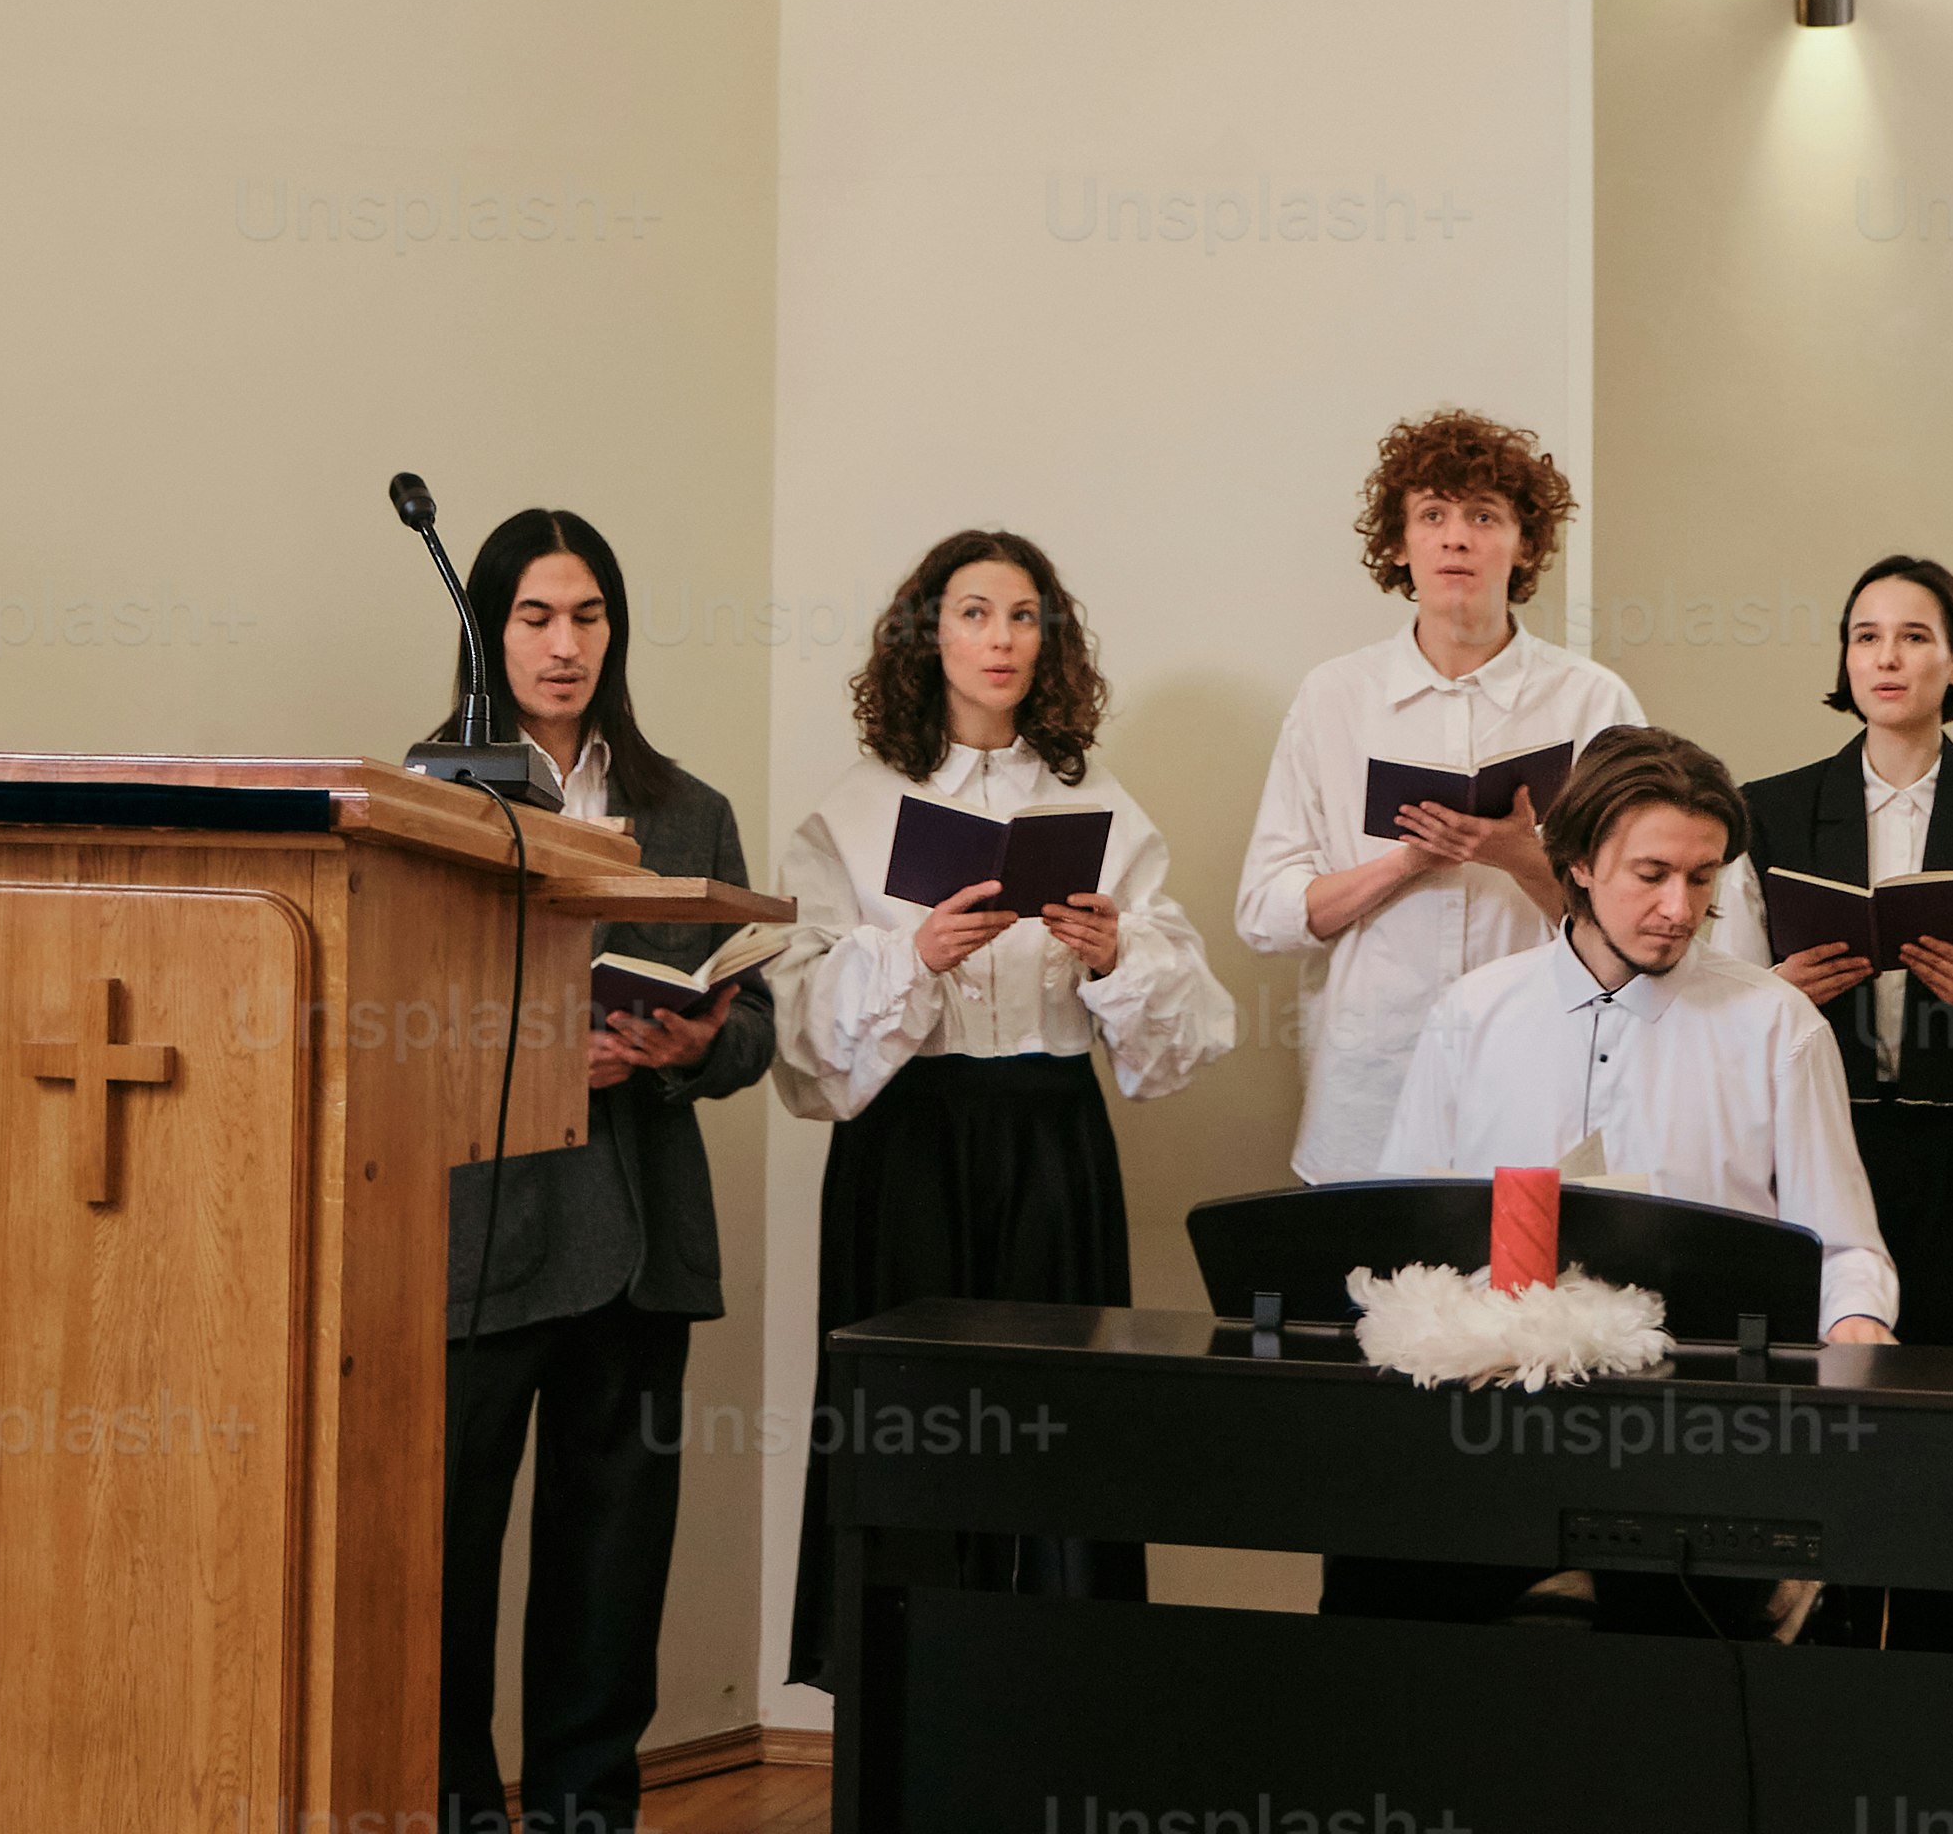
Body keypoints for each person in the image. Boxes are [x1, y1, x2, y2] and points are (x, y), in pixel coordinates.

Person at [774, 525, 1233, 1679]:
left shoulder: (1101, 805)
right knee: (916, 1431)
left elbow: (1189, 1024)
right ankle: (904, 1707)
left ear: (1051, 639)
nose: (1001, 637)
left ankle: (1054, 1706)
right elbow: (798, 1025)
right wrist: (914, 953)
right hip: (907, 1148)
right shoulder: (856, 809)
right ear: (927, 634)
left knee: (1056, 1428)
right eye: (975, 612)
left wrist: (1114, 951)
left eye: (1024, 615)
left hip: (1050, 1139)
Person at [1333, 725, 1892, 1633]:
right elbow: (1407, 1231)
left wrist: (1856, 1323)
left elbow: (1847, 1246)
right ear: (1582, 863)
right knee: (1383, 1599)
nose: (1679, 906)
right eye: (1652, 873)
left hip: (1696, 1428)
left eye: (1702, 878)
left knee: (1679, 1657)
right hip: (1494, 1425)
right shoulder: (1471, 1013)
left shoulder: (1775, 1026)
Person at [436, 505, 774, 1834]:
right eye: (534, 617)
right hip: (479, 1245)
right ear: (487, 631)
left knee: (609, 1580)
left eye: (587, 618)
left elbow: (754, 1027)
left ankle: (590, 1816)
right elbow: (380, 1016)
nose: (563, 645)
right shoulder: (430, 801)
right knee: (447, 1576)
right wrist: (523, 1051)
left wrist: (691, 1041)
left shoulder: (690, 809)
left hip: (638, 1245)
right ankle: (453, 1811)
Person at [1719, 550, 1953, 1653]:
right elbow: (1717, 1006)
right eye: (1866, 635)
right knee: (1821, 1460)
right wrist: (1778, 994)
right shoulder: (1769, 812)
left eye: (1915, 635)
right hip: (1812, 1165)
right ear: (1845, 662)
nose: (1888, 655)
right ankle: (1814, 1735)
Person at [1234, 403, 1644, 1179]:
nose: (1457, 536)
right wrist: (1406, 862)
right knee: (1370, 1297)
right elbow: (1263, 914)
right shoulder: (1334, 699)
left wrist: (1520, 857)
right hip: (1368, 1102)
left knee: (1539, 1297)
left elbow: (1642, 924)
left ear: (1524, 546)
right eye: (1433, 514)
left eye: (1484, 516)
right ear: (1401, 542)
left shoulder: (1593, 703)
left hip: (1543, 1088)